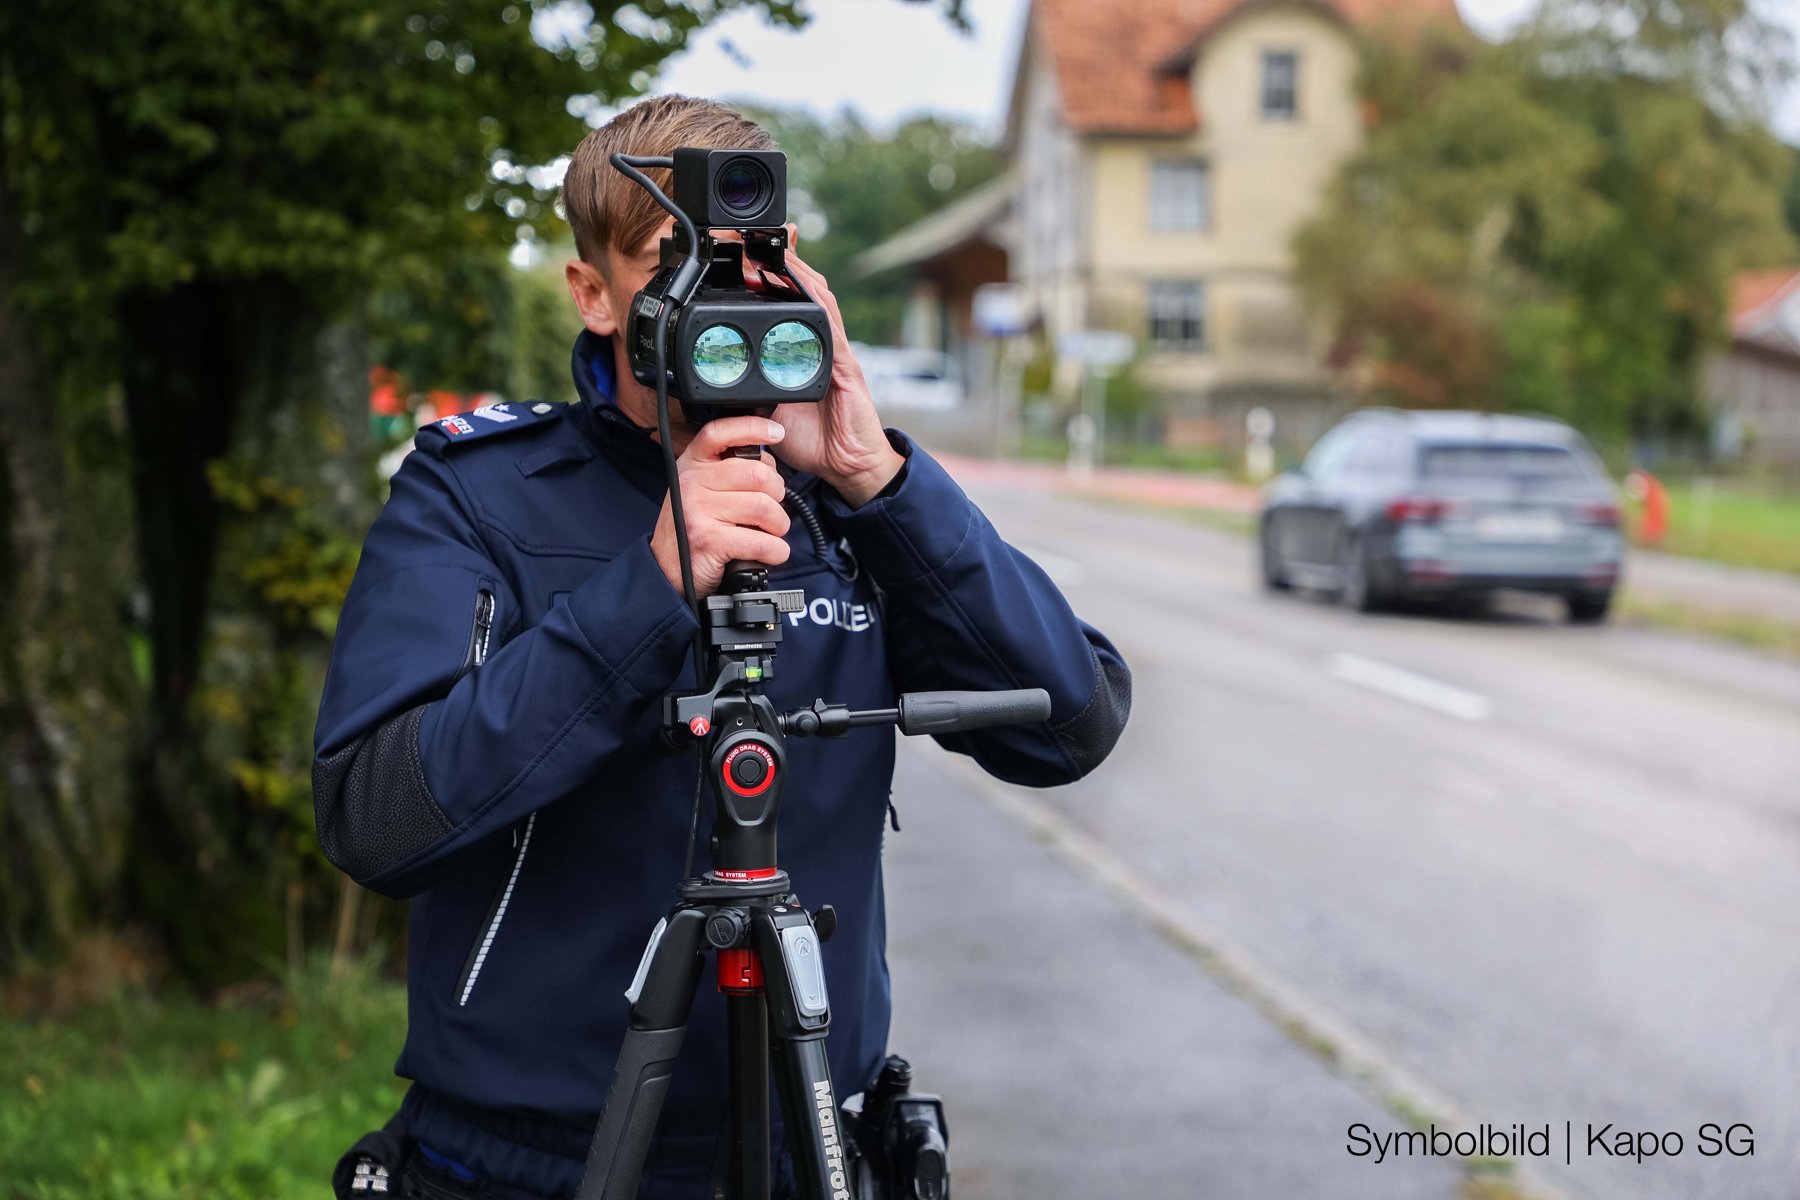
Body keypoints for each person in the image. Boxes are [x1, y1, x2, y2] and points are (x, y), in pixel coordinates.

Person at [314, 95, 1130, 1200]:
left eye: (758, 259)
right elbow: (377, 817)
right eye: (673, 260)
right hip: (529, 1160)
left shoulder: (852, 504)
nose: (723, 292)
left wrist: (875, 480)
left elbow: (1070, 723)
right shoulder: (479, 494)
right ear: (592, 293)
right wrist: (648, 588)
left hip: (808, 1146)